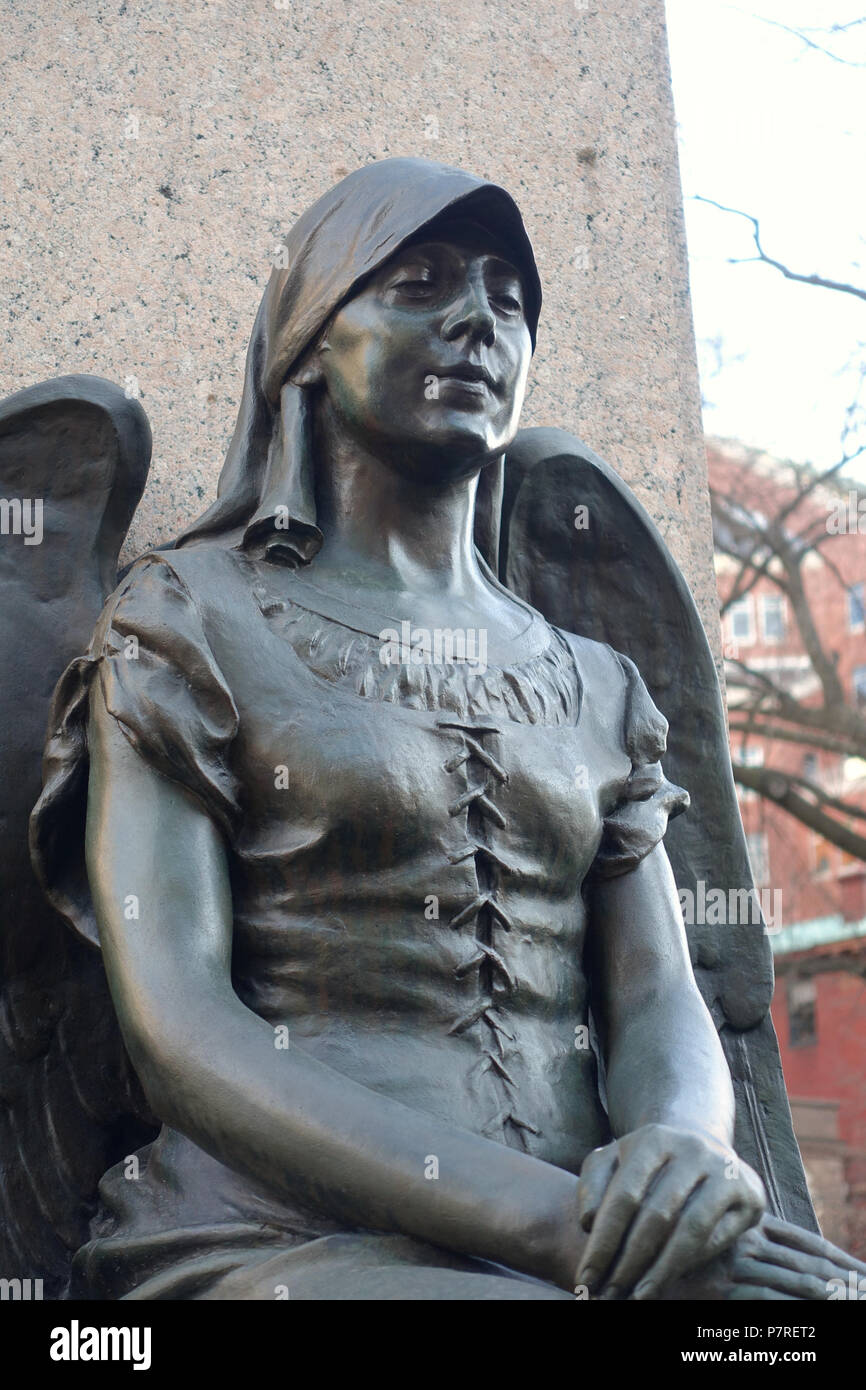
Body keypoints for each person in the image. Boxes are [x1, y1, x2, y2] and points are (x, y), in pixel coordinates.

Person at [32, 158, 850, 1301]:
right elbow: (181, 1031)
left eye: (507, 301)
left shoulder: (598, 681)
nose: (477, 319)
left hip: (593, 1245)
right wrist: (558, 1228)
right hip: (273, 1243)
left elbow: (662, 993)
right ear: (306, 346)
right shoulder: (185, 623)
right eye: (418, 284)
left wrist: (684, 1159)